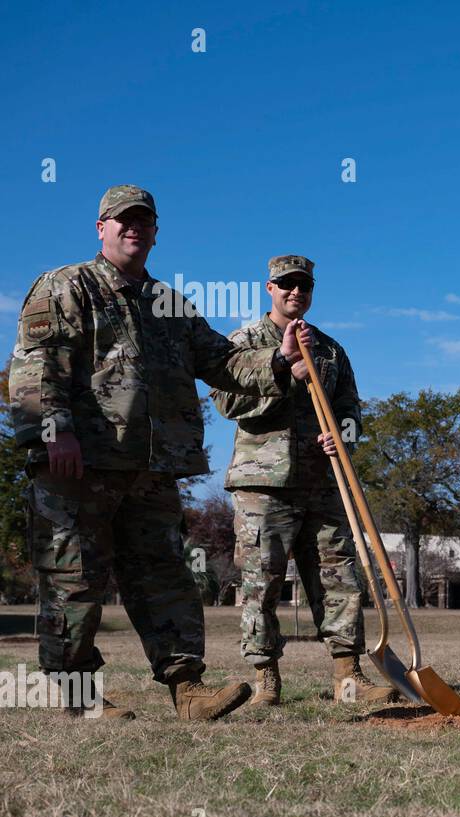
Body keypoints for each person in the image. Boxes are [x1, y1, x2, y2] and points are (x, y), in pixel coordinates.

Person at [8, 185, 310, 720]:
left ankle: (187, 689)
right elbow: (37, 366)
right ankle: (81, 700)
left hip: (151, 470)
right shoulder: (66, 285)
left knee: (165, 578)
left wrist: (279, 361)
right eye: (122, 219)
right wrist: (56, 433)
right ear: (100, 227)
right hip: (80, 465)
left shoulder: (169, 302)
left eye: (144, 221)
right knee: (74, 583)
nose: (134, 228)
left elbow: (222, 361)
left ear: (155, 232)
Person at [211, 256, 394, 706]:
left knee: (339, 576)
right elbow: (226, 404)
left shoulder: (330, 349)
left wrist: (343, 436)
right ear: (269, 288)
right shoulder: (244, 342)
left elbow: (351, 407)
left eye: (304, 286)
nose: (296, 292)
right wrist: (282, 373)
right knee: (262, 580)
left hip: (323, 480)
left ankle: (348, 678)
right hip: (263, 484)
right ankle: (266, 679)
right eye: (287, 285)